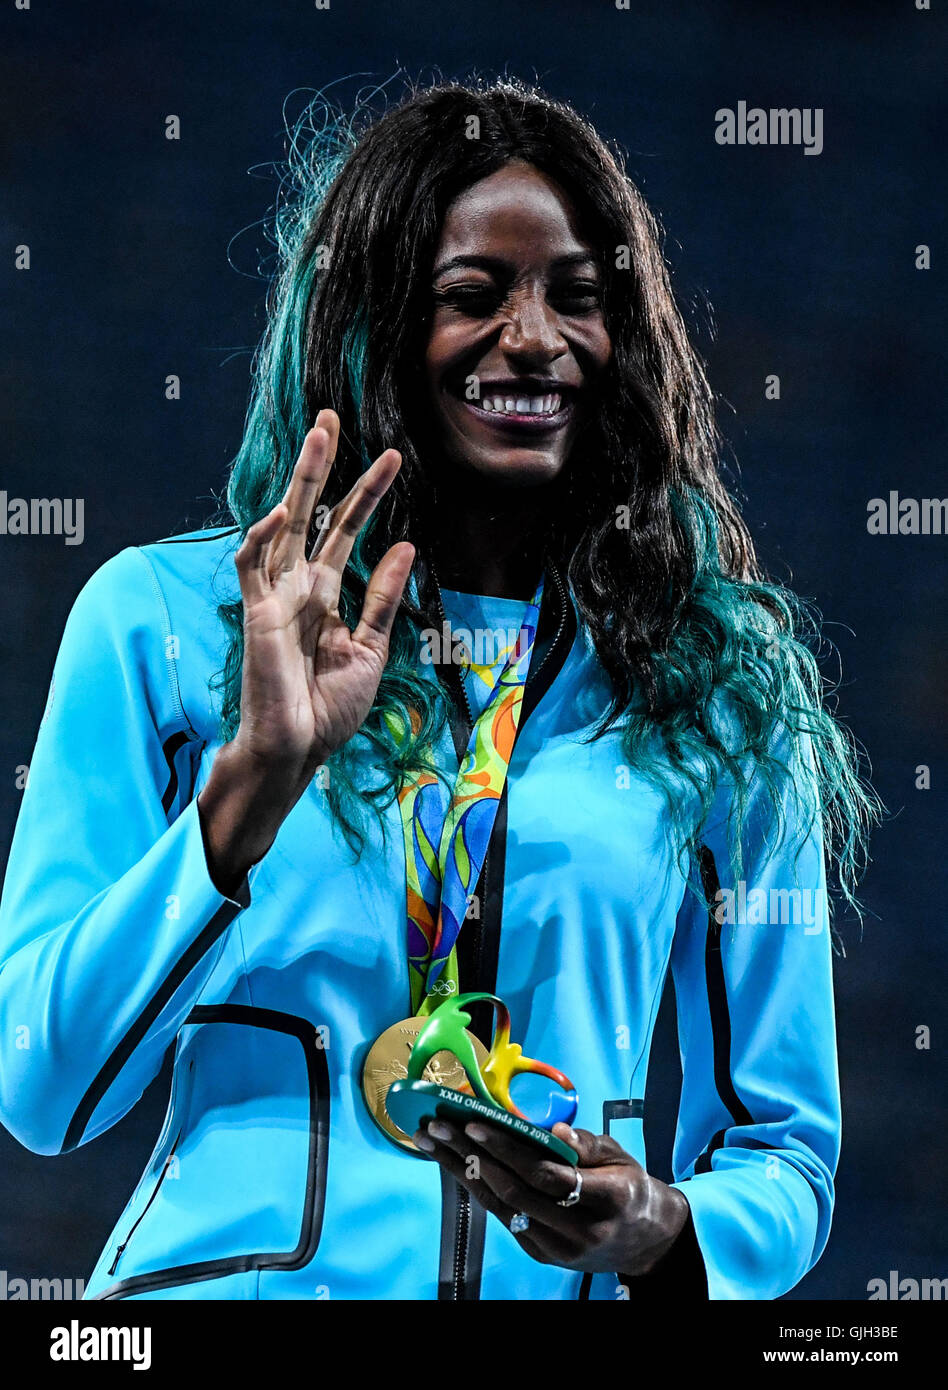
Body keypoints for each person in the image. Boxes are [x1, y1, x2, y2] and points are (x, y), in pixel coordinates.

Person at [0, 78, 876, 1301]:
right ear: (368, 328)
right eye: (473, 295)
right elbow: (42, 1089)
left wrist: (666, 1231)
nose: (534, 336)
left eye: (579, 297)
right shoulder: (165, 626)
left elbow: (786, 1154)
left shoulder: (719, 699)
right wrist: (247, 789)